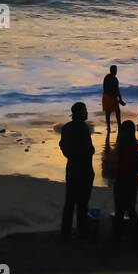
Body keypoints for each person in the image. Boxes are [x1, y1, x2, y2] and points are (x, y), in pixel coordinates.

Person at [59, 101, 95, 237]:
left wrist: (73, 155)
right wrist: (91, 151)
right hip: (84, 169)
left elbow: (63, 146)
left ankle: (65, 231)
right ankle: (82, 230)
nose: (87, 112)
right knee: (82, 203)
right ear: (80, 113)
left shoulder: (67, 127)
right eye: (85, 110)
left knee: (69, 201)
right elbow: (88, 149)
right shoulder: (83, 128)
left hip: (72, 168)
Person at [112, 120, 138, 241]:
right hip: (131, 178)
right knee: (129, 208)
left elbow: (125, 163)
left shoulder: (126, 144)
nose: (120, 133)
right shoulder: (132, 143)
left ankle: (119, 233)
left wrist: (116, 170)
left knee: (121, 208)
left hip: (124, 178)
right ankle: (134, 234)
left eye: (122, 130)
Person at [101, 65, 126, 129]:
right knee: (116, 112)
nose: (115, 71)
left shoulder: (106, 77)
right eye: (115, 70)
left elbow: (114, 89)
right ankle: (118, 125)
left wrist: (119, 99)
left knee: (109, 112)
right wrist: (120, 99)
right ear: (112, 70)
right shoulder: (114, 79)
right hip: (110, 97)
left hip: (106, 96)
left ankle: (109, 126)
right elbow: (116, 90)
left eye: (116, 70)